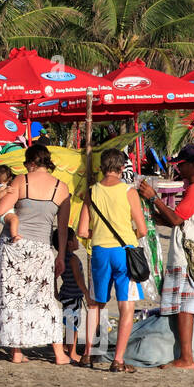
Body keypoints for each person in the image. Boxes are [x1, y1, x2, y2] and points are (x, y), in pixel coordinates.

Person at [136, 145, 194, 370]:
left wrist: (154, 198)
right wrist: (154, 217)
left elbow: (177, 219)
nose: (180, 169)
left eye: (182, 165)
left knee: (185, 306)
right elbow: (182, 219)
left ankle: (186, 358)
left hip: (187, 256)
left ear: (193, 164)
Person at [0, 143, 71, 364]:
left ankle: (17, 352)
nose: (25, 168)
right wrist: (61, 256)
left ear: (32, 162)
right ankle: (58, 353)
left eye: (26, 163)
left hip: (14, 248)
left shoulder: (21, 181)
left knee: (11, 299)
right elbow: (62, 229)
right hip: (41, 250)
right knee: (45, 299)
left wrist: (3, 193)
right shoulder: (61, 188)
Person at [77, 148, 148, 372]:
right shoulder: (129, 192)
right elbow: (143, 229)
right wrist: (129, 236)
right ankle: (118, 360)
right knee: (126, 307)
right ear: (121, 169)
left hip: (99, 251)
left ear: (101, 168)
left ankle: (87, 354)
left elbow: (81, 230)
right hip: (124, 252)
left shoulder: (91, 192)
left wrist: (99, 235)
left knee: (96, 303)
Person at [59, 227, 88, 362]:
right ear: (69, 243)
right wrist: (86, 293)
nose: (77, 241)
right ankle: (72, 352)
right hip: (73, 296)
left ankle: (67, 346)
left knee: (69, 324)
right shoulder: (73, 259)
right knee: (73, 326)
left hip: (65, 294)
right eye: (75, 239)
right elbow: (79, 279)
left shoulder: (61, 258)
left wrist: (54, 291)